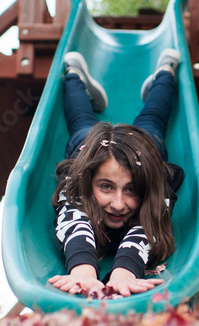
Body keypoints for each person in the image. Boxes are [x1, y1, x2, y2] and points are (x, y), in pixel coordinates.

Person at [48, 49, 185, 299]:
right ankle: (74, 75)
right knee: (81, 122)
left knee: (153, 120)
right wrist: (83, 273)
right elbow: (74, 225)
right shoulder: (77, 185)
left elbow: (147, 230)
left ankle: (165, 72)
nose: (119, 204)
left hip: (146, 151)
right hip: (86, 148)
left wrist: (125, 273)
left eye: (132, 189)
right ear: (89, 182)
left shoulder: (155, 189)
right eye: (106, 187)